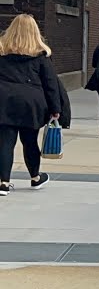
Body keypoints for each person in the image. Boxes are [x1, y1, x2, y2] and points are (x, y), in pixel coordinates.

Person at [0, 15, 62, 196]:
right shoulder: (41, 56)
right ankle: (35, 177)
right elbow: (51, 85)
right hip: (31, 103)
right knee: (30, 142)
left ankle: (4, 182)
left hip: (4, 101)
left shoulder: (2, 52)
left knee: (5, 143)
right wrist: (55, 109)